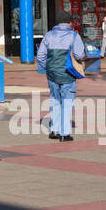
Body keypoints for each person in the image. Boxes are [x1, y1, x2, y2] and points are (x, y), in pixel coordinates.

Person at [36, 11, 86, 142]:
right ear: (69, 23)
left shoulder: (48, 35)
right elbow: (80, 55)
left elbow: (41, 56)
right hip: (68, 74)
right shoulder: (74, 36)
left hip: (52, 74)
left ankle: (54, 130)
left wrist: (48, 67)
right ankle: (65, 133)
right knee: (67, 103)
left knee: (55, 100)